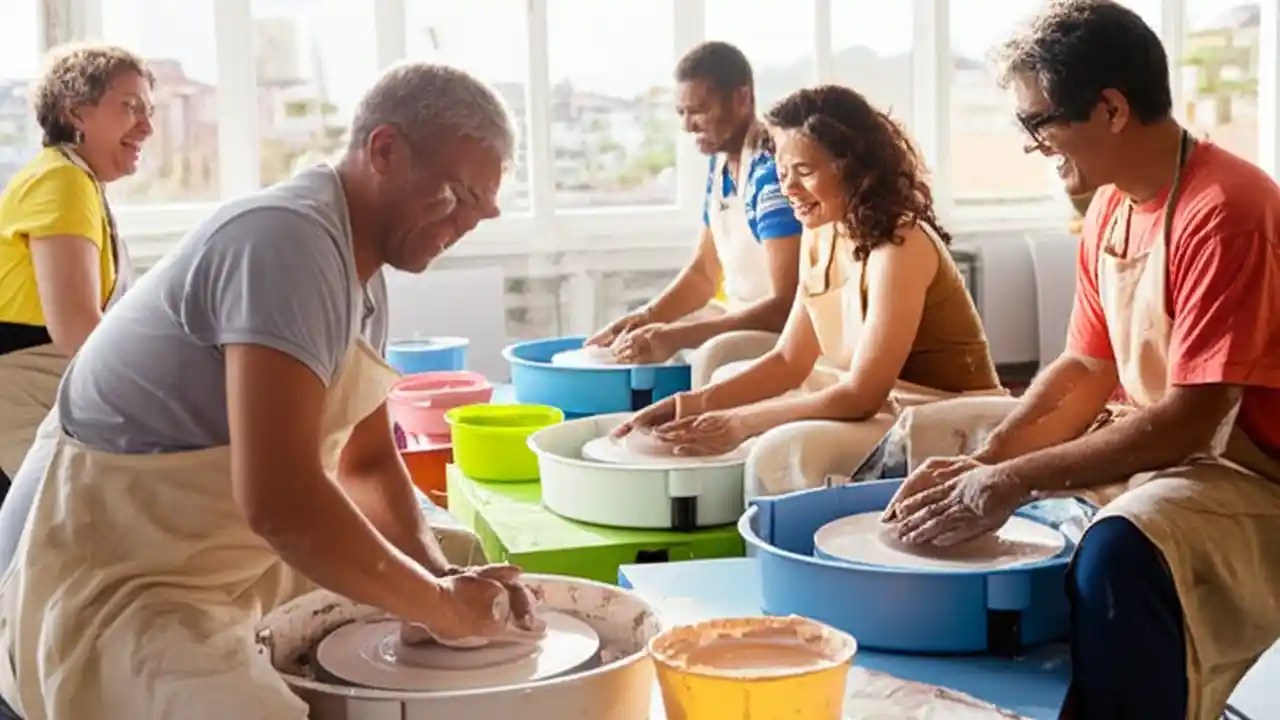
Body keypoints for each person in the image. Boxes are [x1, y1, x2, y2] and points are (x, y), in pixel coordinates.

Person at [0, 62, 533, 720]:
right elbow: (281, 503)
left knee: (463, 554)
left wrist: (437, 580)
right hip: (117, 569)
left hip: (222, 548)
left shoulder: (364, 277)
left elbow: (365, 463)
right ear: (385, 150)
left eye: (481, 208)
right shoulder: (286, 240)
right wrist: (443, 609)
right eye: (455, 195)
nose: (466, 223)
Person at [878, 2, 1280, 718]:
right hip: (1170, 449)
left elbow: (1195, 421)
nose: (1033, 145)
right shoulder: (1110, 210)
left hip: (1251, 474)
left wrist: (1011, 482)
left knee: (1120, 550)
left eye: (1039, 123)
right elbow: (1084, 370)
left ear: (1112, 109)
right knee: (936, 461)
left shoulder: (1228, 207)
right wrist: (988, 462)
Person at [614, 85, 1003, 500]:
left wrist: (741, 423)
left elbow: (861, 395)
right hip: (885, 400)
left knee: (783, 447)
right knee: (727, 382)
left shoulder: (900, 244)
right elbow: (788, 360)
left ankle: (777, 550)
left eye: (804, 172)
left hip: (947, 415)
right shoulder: (820, 233)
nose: (789, 189)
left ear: (853, 167)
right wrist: (685, 405)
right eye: (783, 173)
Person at [586, 41, 801, 385]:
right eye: (681, 113)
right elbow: (703, 273)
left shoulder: (770, 171)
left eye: (699, 110)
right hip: (739, 312)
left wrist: (679, 336)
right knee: (638, 340)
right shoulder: (719, 165)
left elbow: (786, 305)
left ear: (742, 98)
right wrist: (643, 317)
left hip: (780, 330)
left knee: (704, 351)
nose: (688, 126)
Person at [0, 43, 153, 492]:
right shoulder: (61, 181)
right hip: (18, 402)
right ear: (76, 112)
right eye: (130, 108)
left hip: (43, 399)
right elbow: (77, 329)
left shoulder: (76, 181)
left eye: (150, 111)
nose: (146, 126)